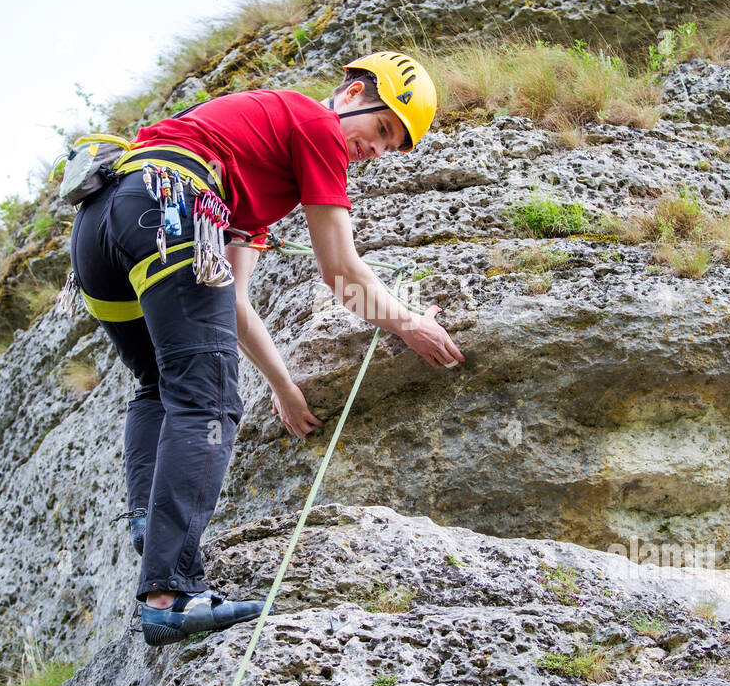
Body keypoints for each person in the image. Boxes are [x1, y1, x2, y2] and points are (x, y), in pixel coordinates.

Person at [68, 51, 465, 646]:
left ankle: (154, 527)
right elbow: (341, 271)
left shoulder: (247, 169)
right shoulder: (316, 125)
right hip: (168, 203)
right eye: (382, 129)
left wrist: (282, 386)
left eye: (392, 147)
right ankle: (172, 592)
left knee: (161, 384)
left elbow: (232, 304)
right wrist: (408, 324)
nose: (377, 150)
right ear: (353, 93)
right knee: (205, 400)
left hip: (104, 224)